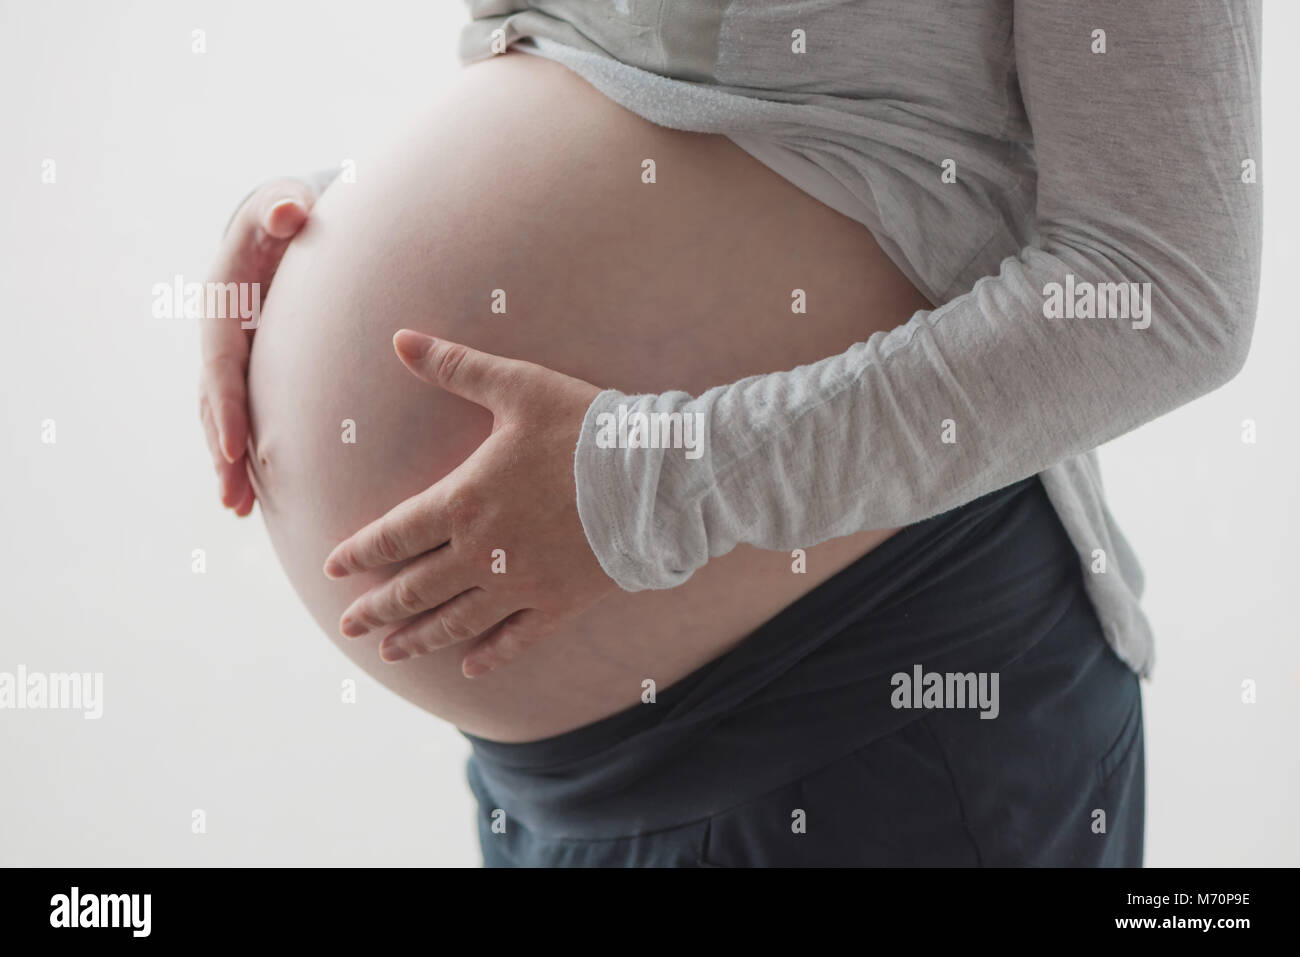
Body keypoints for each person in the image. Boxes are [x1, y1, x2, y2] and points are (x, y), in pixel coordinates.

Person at [198, 1, 1262, 866]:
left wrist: (649, 491)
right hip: (550, 784)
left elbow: (1159, 295)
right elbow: (595, 63)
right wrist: (330, 223)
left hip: (871, 722)